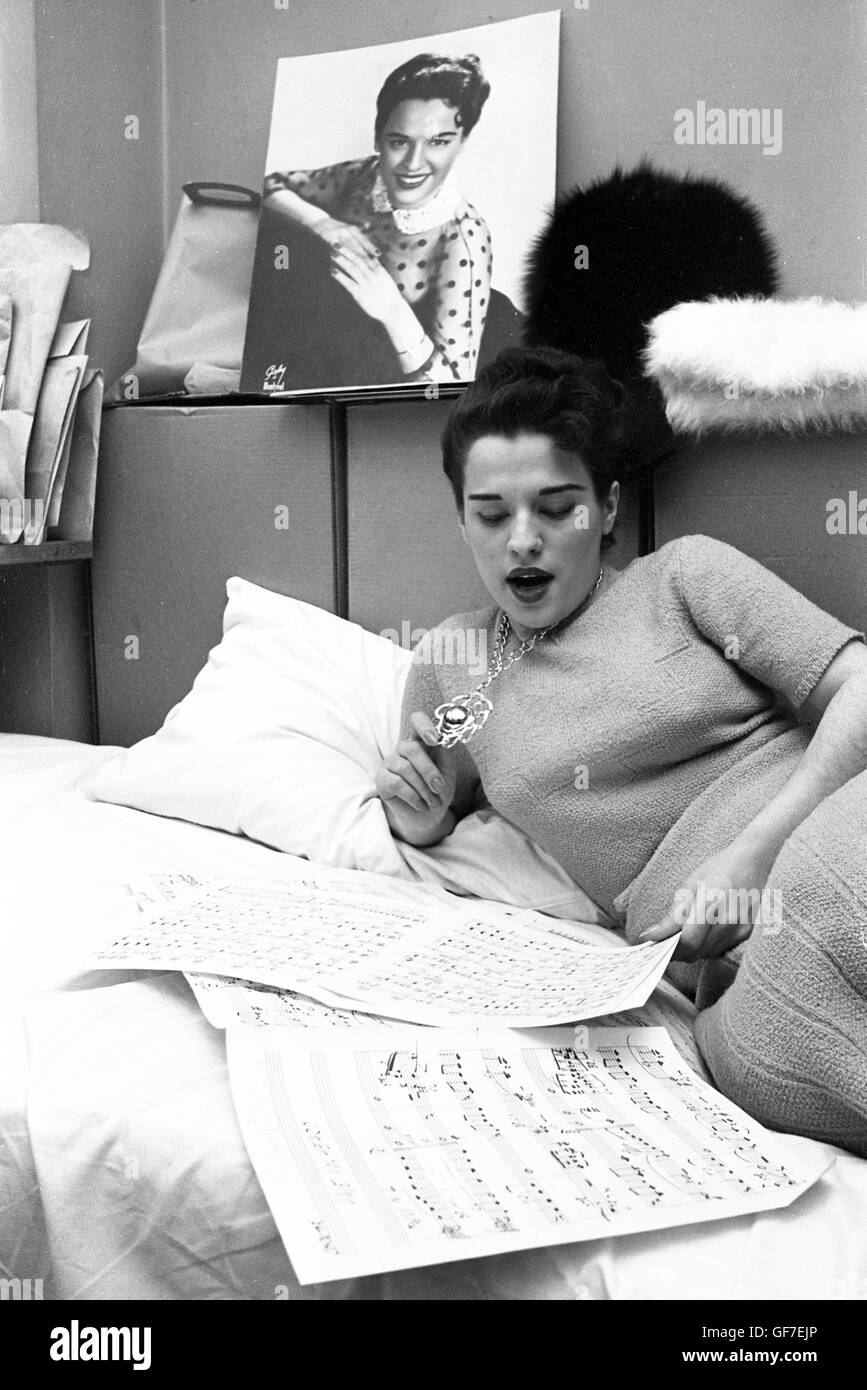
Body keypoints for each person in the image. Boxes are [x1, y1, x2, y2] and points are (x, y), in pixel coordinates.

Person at [375, 345, 867, 1157]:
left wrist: (750, 859)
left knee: (825, 895)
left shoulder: (683, 578)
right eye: (491, 515)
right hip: (712, 958)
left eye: (554, 507)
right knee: (748, 1061)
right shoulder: (449, 666)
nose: (522, 542)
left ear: (604, 508)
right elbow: (443, 805)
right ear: (461, 519)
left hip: (822, 827)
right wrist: (418, 819)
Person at [263, 53, 493, 383]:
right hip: (314, 363)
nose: (414, 164)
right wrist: (323, 224)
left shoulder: (464, 236)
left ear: (462, 144)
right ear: (378, 139)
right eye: (399, 142)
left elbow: (453, 382)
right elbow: (272, 186)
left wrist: (392, 310)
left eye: (438, 142)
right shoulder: (365, 175)